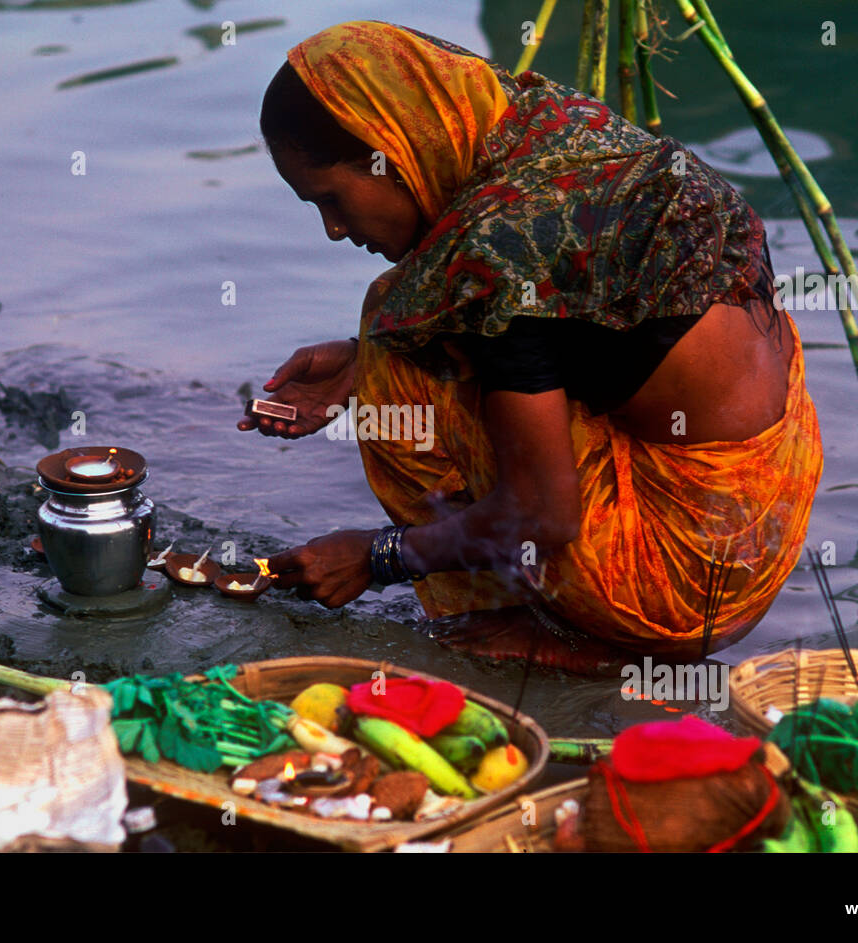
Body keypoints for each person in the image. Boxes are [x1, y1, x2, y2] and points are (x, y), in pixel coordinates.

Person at [238, 21, 822, 672]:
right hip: (765, 510)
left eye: (331, 199)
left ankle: (554, 628)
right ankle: (551, 602)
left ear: (391, 153)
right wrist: (365, 357)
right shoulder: (543, 122)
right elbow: (587, 314)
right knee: (398, 320)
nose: (334, 229)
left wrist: (377, 554)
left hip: (680, 585)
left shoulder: (495, 253)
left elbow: (543, 514)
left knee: (397, 314)